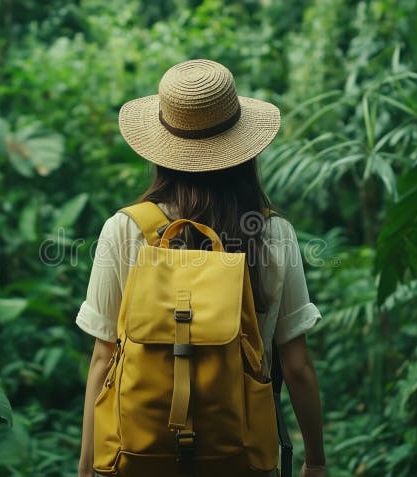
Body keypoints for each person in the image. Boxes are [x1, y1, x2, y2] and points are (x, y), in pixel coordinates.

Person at [76, 59, 327, 477]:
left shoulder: (124, 229)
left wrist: (87, 469)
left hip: (140, 454)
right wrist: (315, 462)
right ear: (245, 149)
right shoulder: (273, 232)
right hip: (242, 455)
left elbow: (103, 356)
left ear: (161, 147)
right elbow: (296, 364)